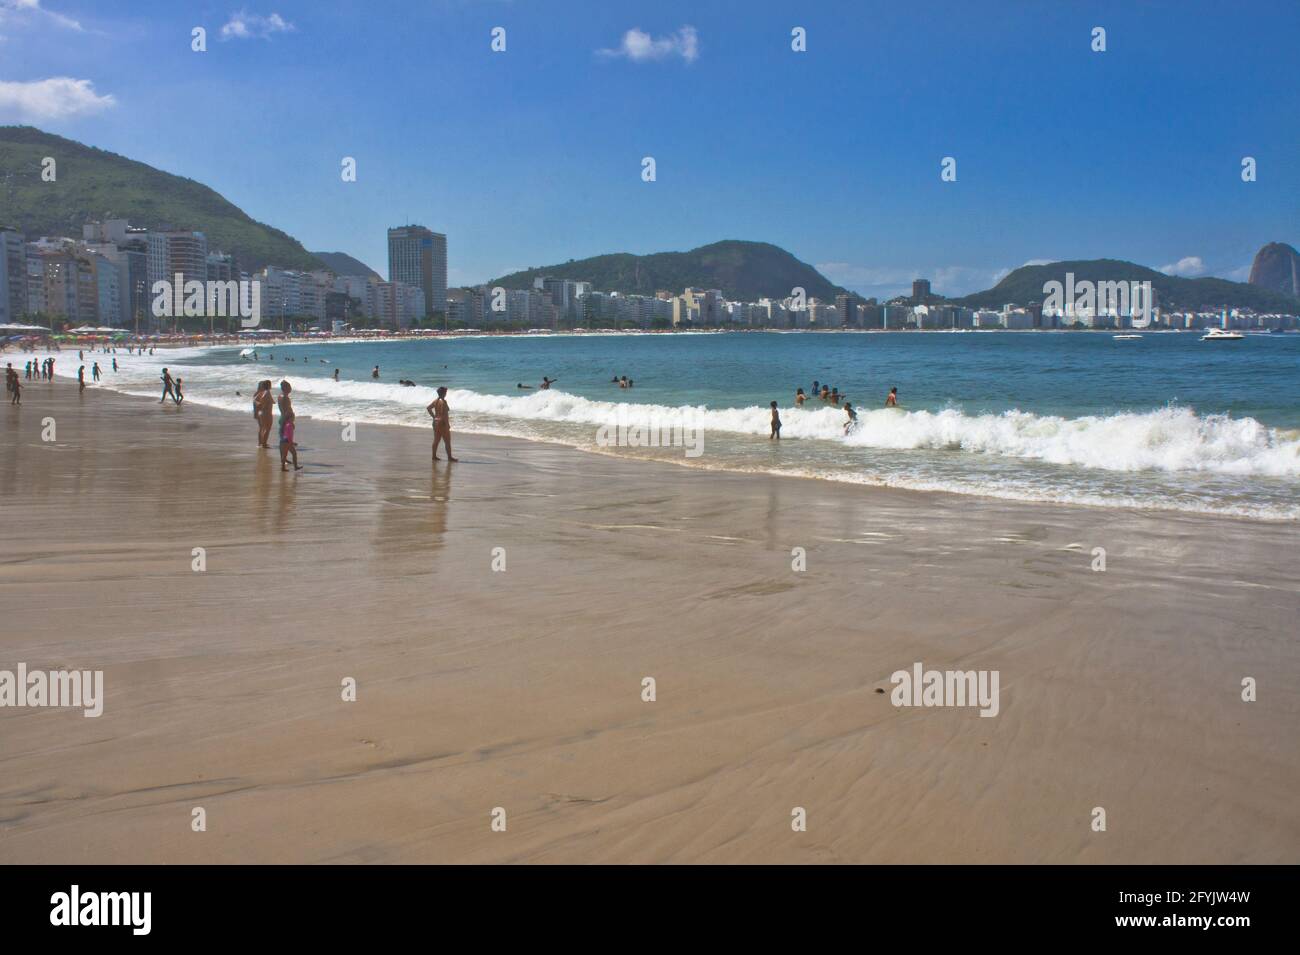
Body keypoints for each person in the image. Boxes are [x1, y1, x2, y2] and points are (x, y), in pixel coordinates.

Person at [426, 385, 458, 461]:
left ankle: (434, 456)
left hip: (436, 422)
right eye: (445, 392)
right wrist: (447, 425)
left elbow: (428, 408)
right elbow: (444, 414)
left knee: (436, 440)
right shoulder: (443, 402)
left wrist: (434, 417)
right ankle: (449, 457)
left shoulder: (436, 401)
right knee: (447, 441)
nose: (446, 393)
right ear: (443, 393)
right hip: (442, 423)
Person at [278, 380, 302, 471]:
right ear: (285, 388)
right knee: (286, 440)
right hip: (286, 419)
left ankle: (283, 460)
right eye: (289, 387)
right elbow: (287, 410)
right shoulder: (285, 397)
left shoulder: (280, 396)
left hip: (282, 418)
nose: (290, 388)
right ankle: (283, 461)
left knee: (282, 442)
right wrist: (290, 421)